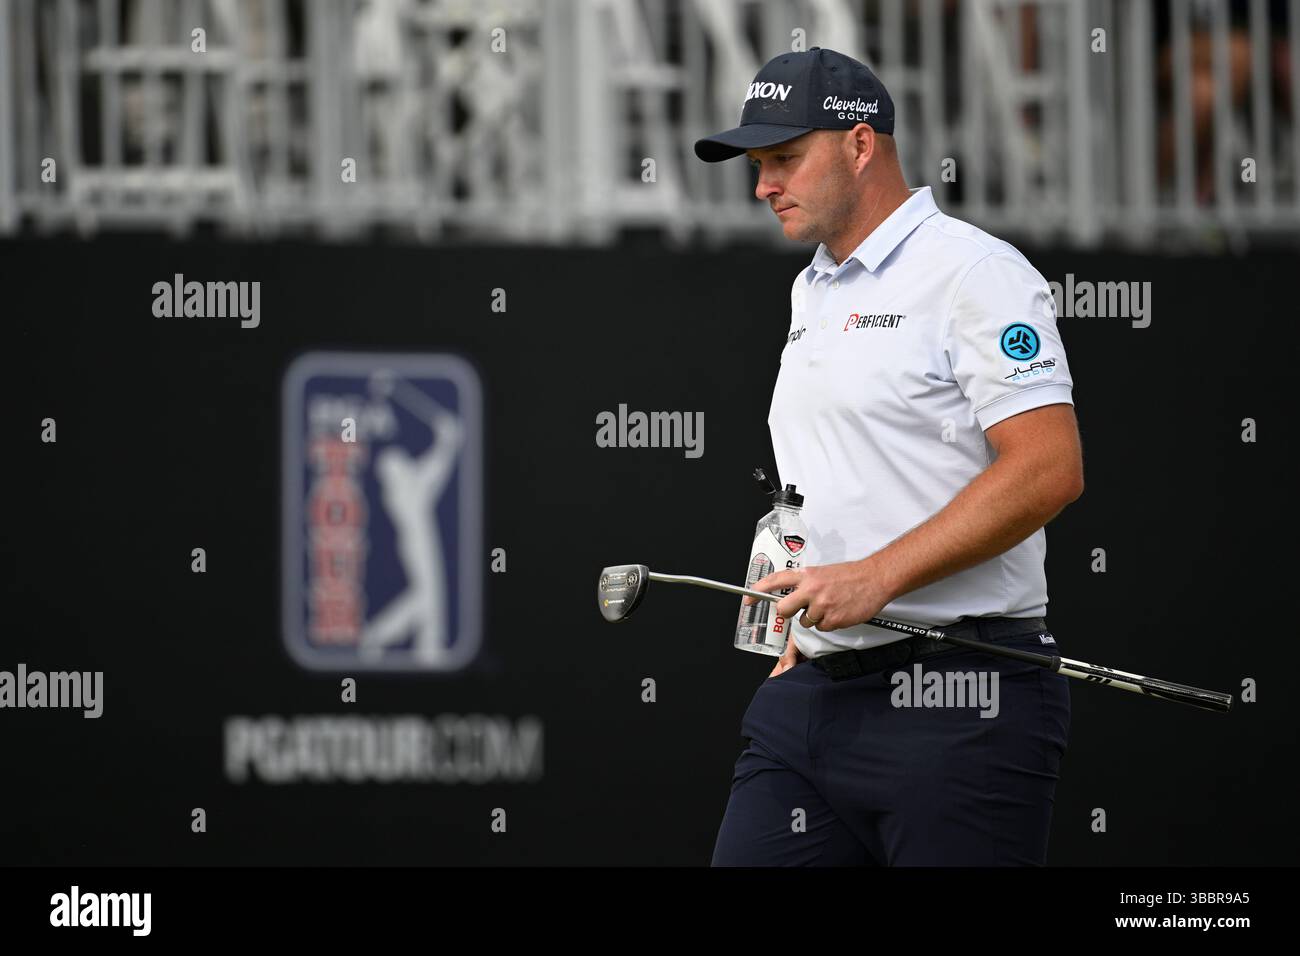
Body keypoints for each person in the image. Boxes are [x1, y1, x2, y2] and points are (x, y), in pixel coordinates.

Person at [695, 47, 1084, 866]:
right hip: (812, 697)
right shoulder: (814, 285)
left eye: (784, 159)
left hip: (962, 698)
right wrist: (792, 646)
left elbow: (1049, 469)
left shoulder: (977, 273)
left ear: (861, 145)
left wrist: (874, 577)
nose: (763, 185)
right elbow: (828, 481)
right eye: (759, 164)